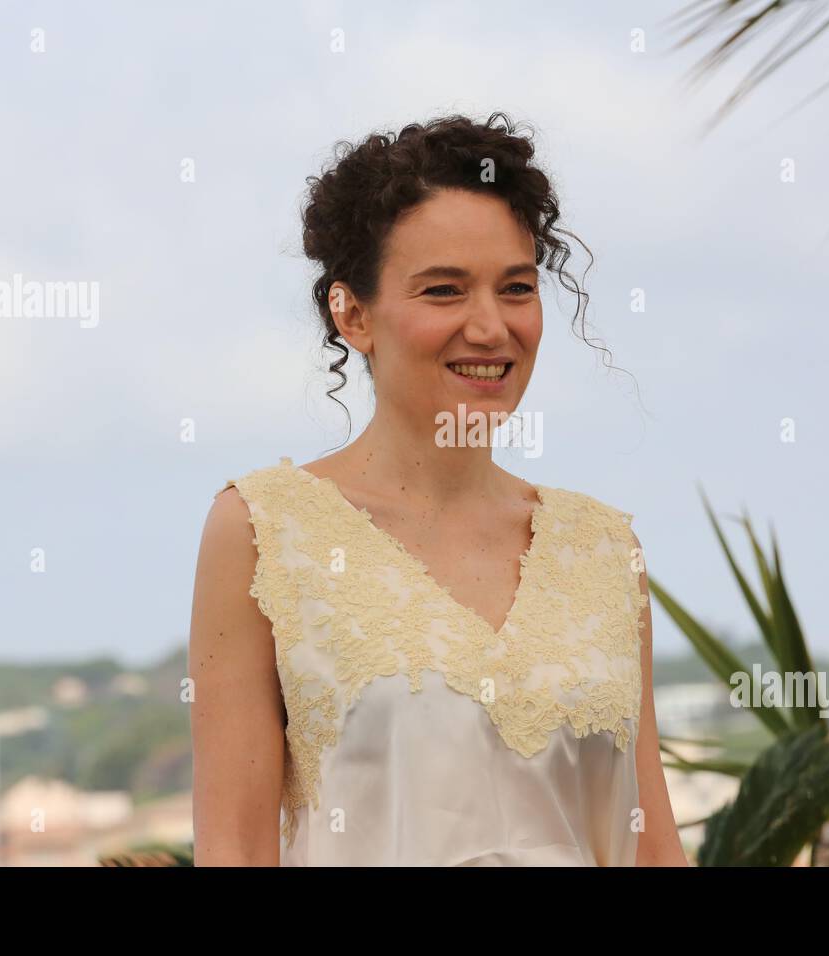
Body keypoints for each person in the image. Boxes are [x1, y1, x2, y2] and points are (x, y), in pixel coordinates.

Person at [189, 112, 688, 866]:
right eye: (444, 291)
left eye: (516, 288)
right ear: (353, 313)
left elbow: (652, 847)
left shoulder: (604, 548)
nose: (490, 328)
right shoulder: (263, 531)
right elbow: (234, 848)